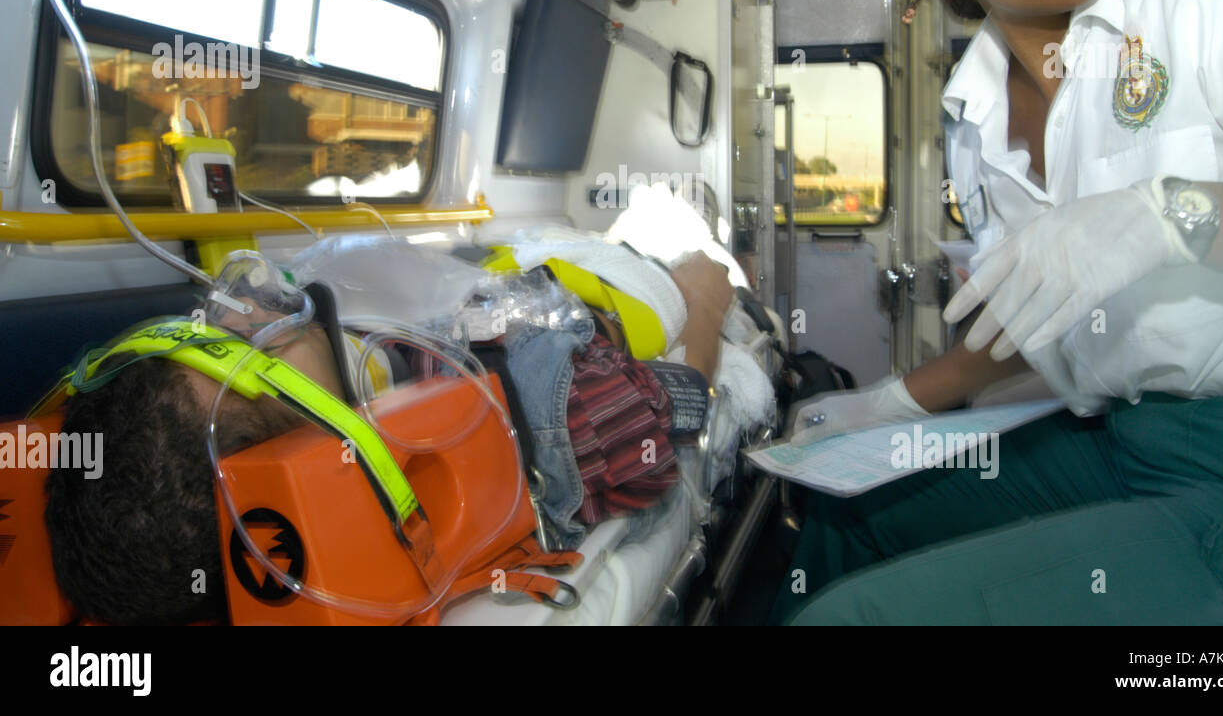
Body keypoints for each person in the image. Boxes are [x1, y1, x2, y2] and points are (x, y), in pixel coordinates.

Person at [770, 0, 1223, 625]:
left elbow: (1146, 232)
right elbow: (1040, 304)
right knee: (846, 516)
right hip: (1122, 440)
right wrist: (890, 403)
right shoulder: (972, 109)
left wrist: (1173, 215)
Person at [43, 249, 733, 626]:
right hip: (631, 284)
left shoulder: (349, 342)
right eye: (246, 342)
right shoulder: (560, 415)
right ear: (312, 456)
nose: (251, 300)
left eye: (205, 321)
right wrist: (705, 299)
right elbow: (684, 401)